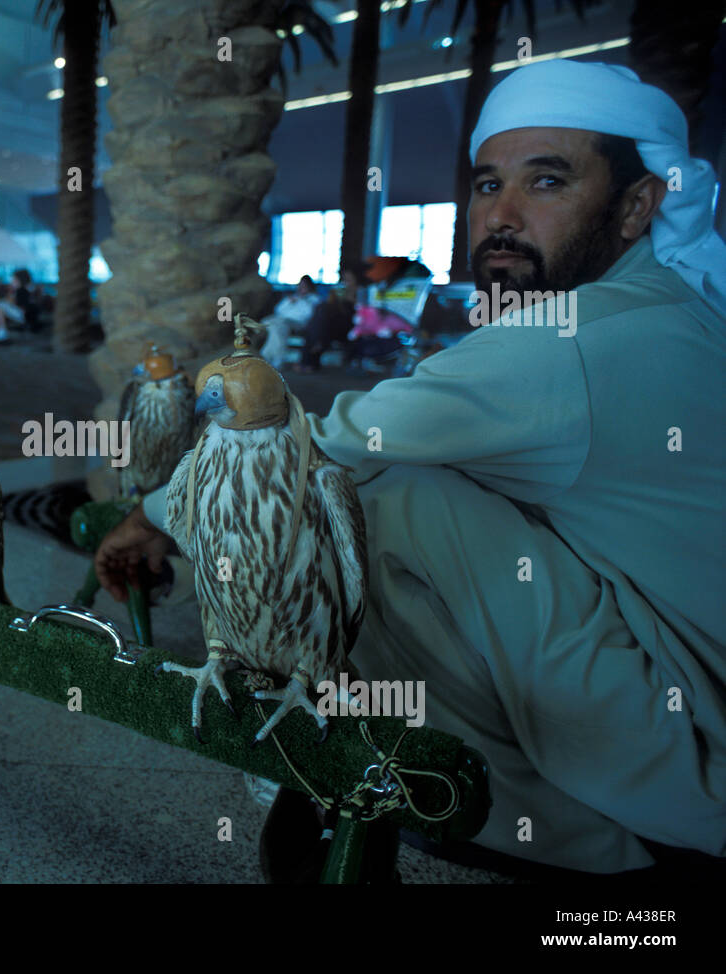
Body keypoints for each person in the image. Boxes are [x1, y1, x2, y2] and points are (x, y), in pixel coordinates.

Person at [94, 59, 726, 878]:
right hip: (682, 705)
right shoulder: (663, 307)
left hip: (696, 757)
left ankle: (587, 850)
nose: (501, 216)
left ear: (637, 205)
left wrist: (152, 515)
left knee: (378, 495)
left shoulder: (577, 337)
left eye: (546, 182)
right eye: (488, 183)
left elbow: (331, 441)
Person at [295, 267, 358, 372]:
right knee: (321, 310)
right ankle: (318, 344)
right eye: (344, 279)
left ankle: (308, 360)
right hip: (334, 324)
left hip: (352, 324)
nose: (345, 283)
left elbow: (364, 310)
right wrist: (334, 299)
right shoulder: (340, 292)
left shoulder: (362, 291)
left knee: (321, 314)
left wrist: (349, 299)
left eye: (349, 280)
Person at [261, 275, 321, 368]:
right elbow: (278, 310)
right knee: (271, 324)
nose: (301, 288)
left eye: (304, 286)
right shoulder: (291, 297)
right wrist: (290, 302)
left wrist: (301, 301)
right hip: (281, 321)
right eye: (300, 286)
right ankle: (277, 356)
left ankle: (267, 354)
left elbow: (308, 314)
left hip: (298, 323)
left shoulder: (313, 299)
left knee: (276, 324)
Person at [0, 268, 38, 344]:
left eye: (14, 280)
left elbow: (20, 306)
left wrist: (10, 294)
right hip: (26, 316)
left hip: (24, 317)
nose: (12, 281)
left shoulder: (21, 291)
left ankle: (1, 332)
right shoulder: (26, 289)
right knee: (0, 305)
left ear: (19, 280)